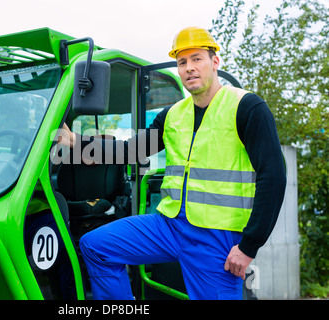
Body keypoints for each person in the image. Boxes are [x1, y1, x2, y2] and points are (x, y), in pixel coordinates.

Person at [58, 26, 286, 300]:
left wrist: (249, 245)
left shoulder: (247, 107)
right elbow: (132, 151)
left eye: (196, 58)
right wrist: (76, 142)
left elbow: (273, 177)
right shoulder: (172, 115)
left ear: (215, 62)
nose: (189, 67)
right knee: (96, 246)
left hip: (216, 239)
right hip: (167, 226)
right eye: (182, 62)